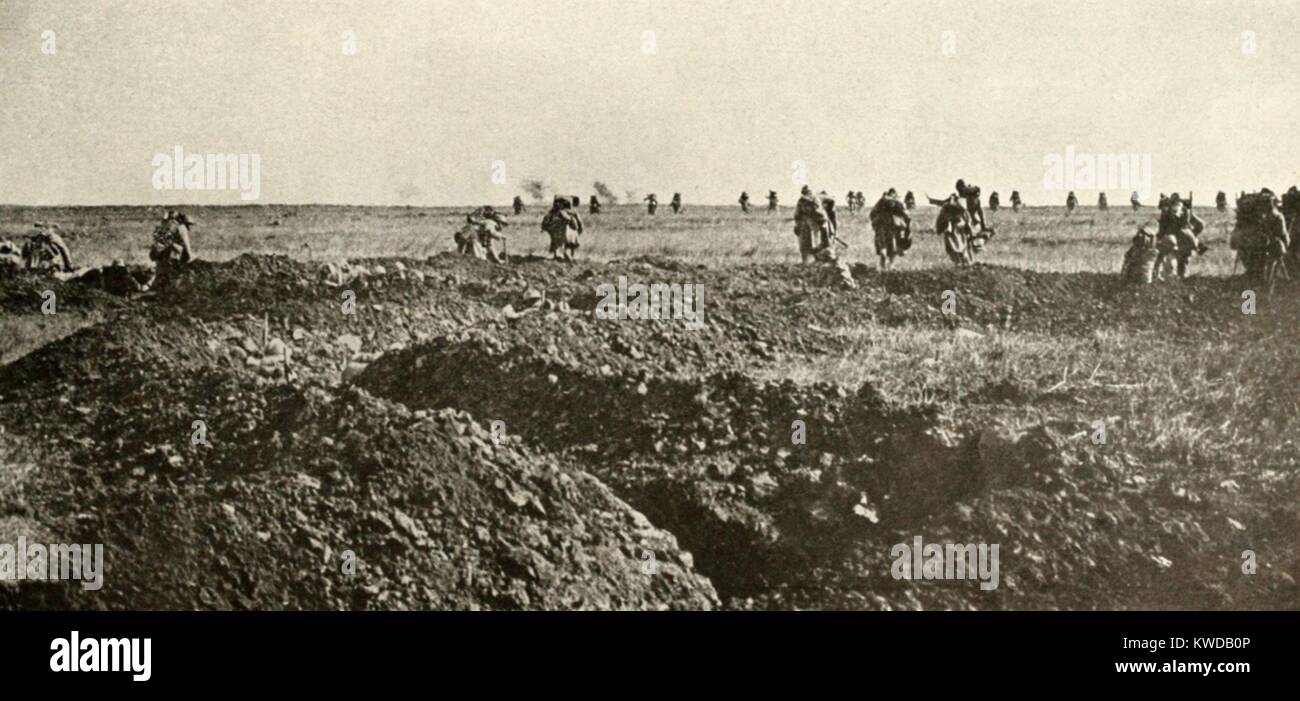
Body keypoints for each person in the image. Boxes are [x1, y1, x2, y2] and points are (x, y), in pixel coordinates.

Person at [1153, 193, 1206, 280]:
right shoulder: (1185, 212)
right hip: (1184, 241)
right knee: (1182, 264)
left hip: (1174, 243)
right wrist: (1193, 235)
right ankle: (1181, 280)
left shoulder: (1169, 213)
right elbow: (1201, 224)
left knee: (1169, 265)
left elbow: (1163, 230)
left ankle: (1172, 281)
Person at [149, 211, 195, 289]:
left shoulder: (163, 225)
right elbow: (186, 244)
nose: (189, 228)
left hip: (157, 251)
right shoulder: (181, 227)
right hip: (168, 253)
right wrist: (190, 256)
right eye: (189, 225)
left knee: (161, 270)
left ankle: (156, 285)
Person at [870, 188, 911, 270]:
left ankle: (882, 267)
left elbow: (872, 214)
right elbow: (907, 216)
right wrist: (906, 227)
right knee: (893, 247)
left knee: (883, 247)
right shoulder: (898, 202)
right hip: (895, 226)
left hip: (881, 226)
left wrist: (875, 224)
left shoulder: (881, 201)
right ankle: (890, 266)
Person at [794, 186, 831, 263]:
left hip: (816, 222)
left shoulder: (805, 200)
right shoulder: (814, 199)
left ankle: (817, 259)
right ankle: (814, 259)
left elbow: (797, 214)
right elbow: (798, 215)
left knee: (818, 243)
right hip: (817, 221)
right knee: (819, 242)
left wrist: (797, 224)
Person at [541, 196, 583, 261]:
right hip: (561, 231)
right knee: (562, 243)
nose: (558, 205)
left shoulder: (564, 212)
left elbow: (571, 221)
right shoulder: (557, 212)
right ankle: (562, 256)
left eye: (559, 203)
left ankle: (564, 256)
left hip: (565, 231)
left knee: (565, 244)